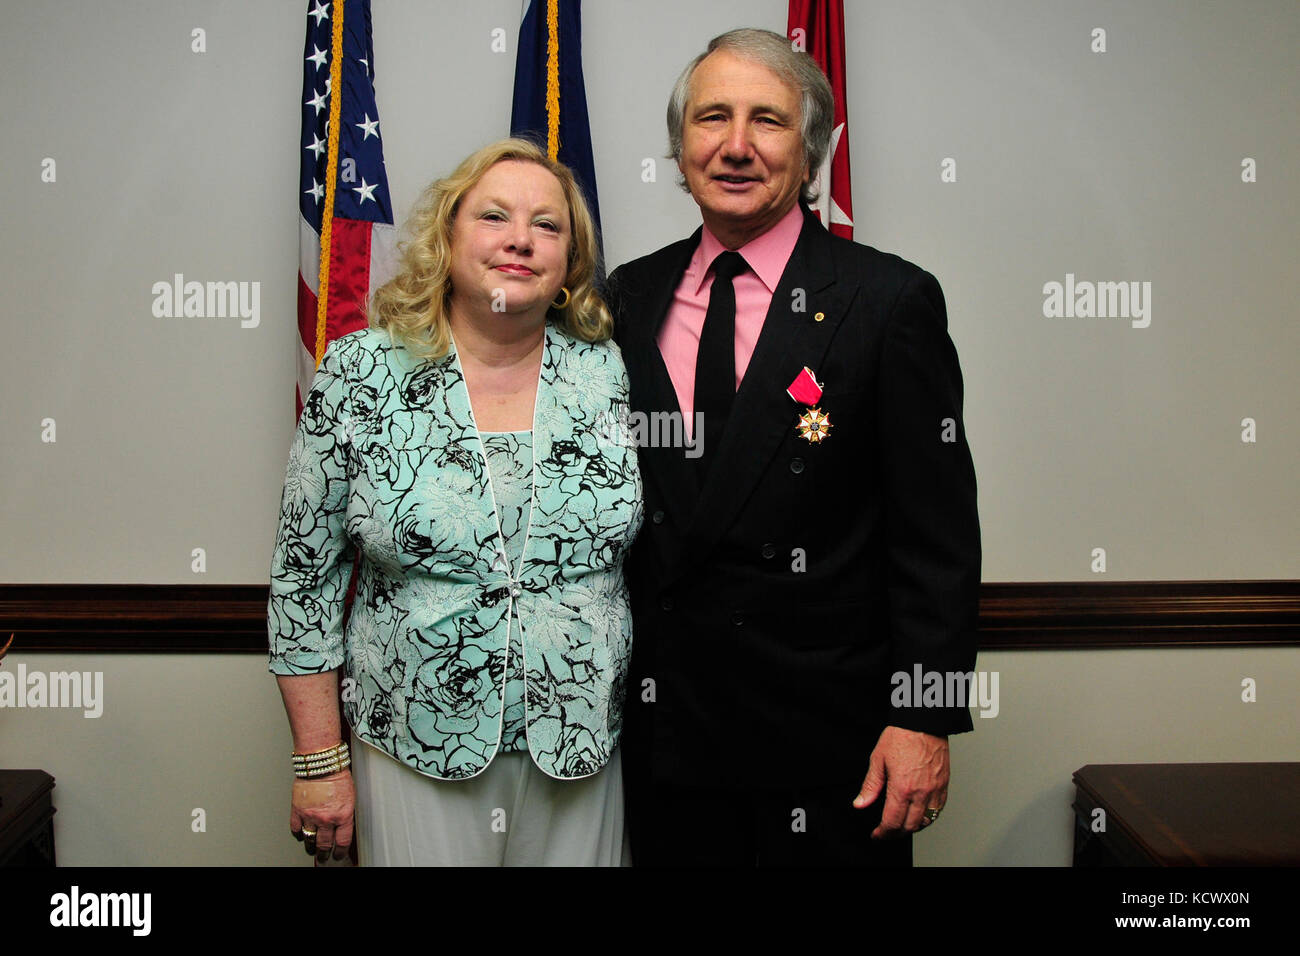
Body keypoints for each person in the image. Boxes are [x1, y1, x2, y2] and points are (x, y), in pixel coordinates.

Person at [606, 28, 981, 866]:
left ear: (809, 154)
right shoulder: (626, 295)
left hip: (828, 745)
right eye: (712, 119)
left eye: (767, 122)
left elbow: (939, 540)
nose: (736, 146)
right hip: (660, 739)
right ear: (681, 147)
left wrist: (924, 715)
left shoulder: (888, 302)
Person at [267, 138, 643, 866]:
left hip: (581, 742)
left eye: (548, 225)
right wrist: (318, 762)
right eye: (494, 216)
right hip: (413, 744)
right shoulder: (362, 372)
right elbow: (303, 577)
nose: (520, 240)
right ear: (447, 235)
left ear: (570, 260)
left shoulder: (607, 372)